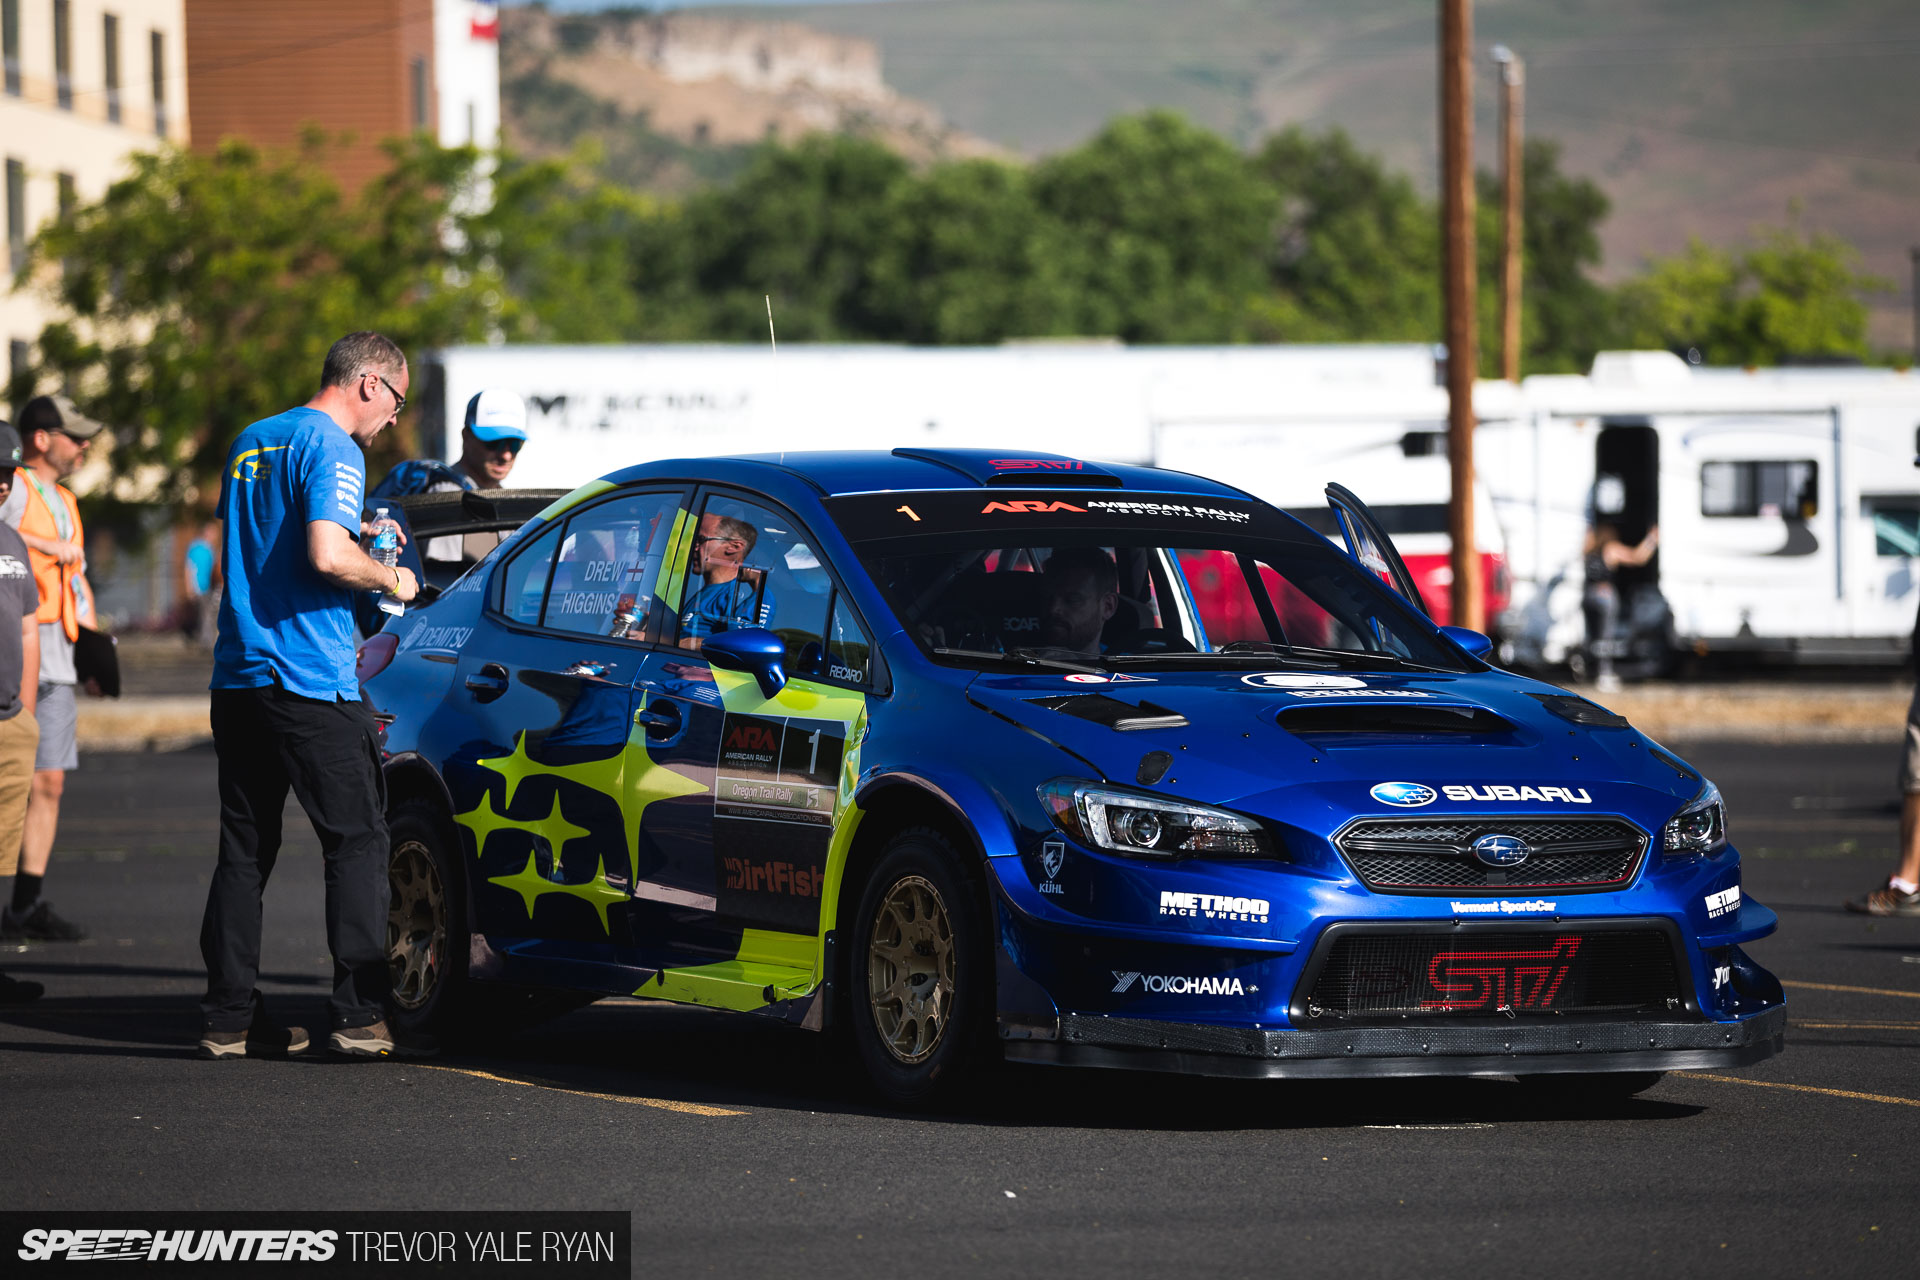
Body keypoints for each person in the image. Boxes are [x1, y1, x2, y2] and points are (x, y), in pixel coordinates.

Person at [199, 331, 423, 1060]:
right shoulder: (334, 446)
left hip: (240, 673)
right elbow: (327, 554)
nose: (394, 419)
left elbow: (270, 546)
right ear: (367, 384)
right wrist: (392, 578)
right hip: (308, 677)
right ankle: (359, 1016)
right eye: (396, 399)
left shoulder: (252, 440)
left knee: (244, 849)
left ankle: (228, 1018)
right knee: (358, 841)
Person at [0, 394, 105, 944]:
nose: (84, 445)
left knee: (49, 780)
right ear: (41, 438)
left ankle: (26, 901)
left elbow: (76, 581)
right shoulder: (11, 485)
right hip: (15, 641)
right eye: (75, 435)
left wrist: (91, 651)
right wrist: (48, 545)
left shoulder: (66, 498)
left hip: (58, 649)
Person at [372, 387, 528, 569]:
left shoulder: (503, 499)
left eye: (515, 444)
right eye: (494, 442)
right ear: (466, 437)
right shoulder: (448, 492)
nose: (506, 455)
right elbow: (443, 582)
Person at [0, 424, 44, 1003]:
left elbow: (30, 630)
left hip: (11, 722)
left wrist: (25, 714)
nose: (0, 485)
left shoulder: (13, 544)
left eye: (6, 476)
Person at [1581, 520, 1658, 694]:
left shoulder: (1588, 548)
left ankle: (1588, 670)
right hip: (1605, 595)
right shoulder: (1611, 548)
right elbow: (1638, 558)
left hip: (1588, 595)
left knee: (1591, 636)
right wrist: (1651, 540)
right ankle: (1604, 674)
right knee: (1606, 637)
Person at [678, 513, 773, 649]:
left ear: (734, 547)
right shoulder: (702, 590)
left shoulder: (742, 595)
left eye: (700, 539)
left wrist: (671, 643)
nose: (694, 547)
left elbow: (743, 647)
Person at [1037, 547, 1120, 659]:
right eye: (1047, 597)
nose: (1053, 608)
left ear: (1107, 607)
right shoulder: (1014, 661)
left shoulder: (1131, 667)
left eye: (1072, 600)